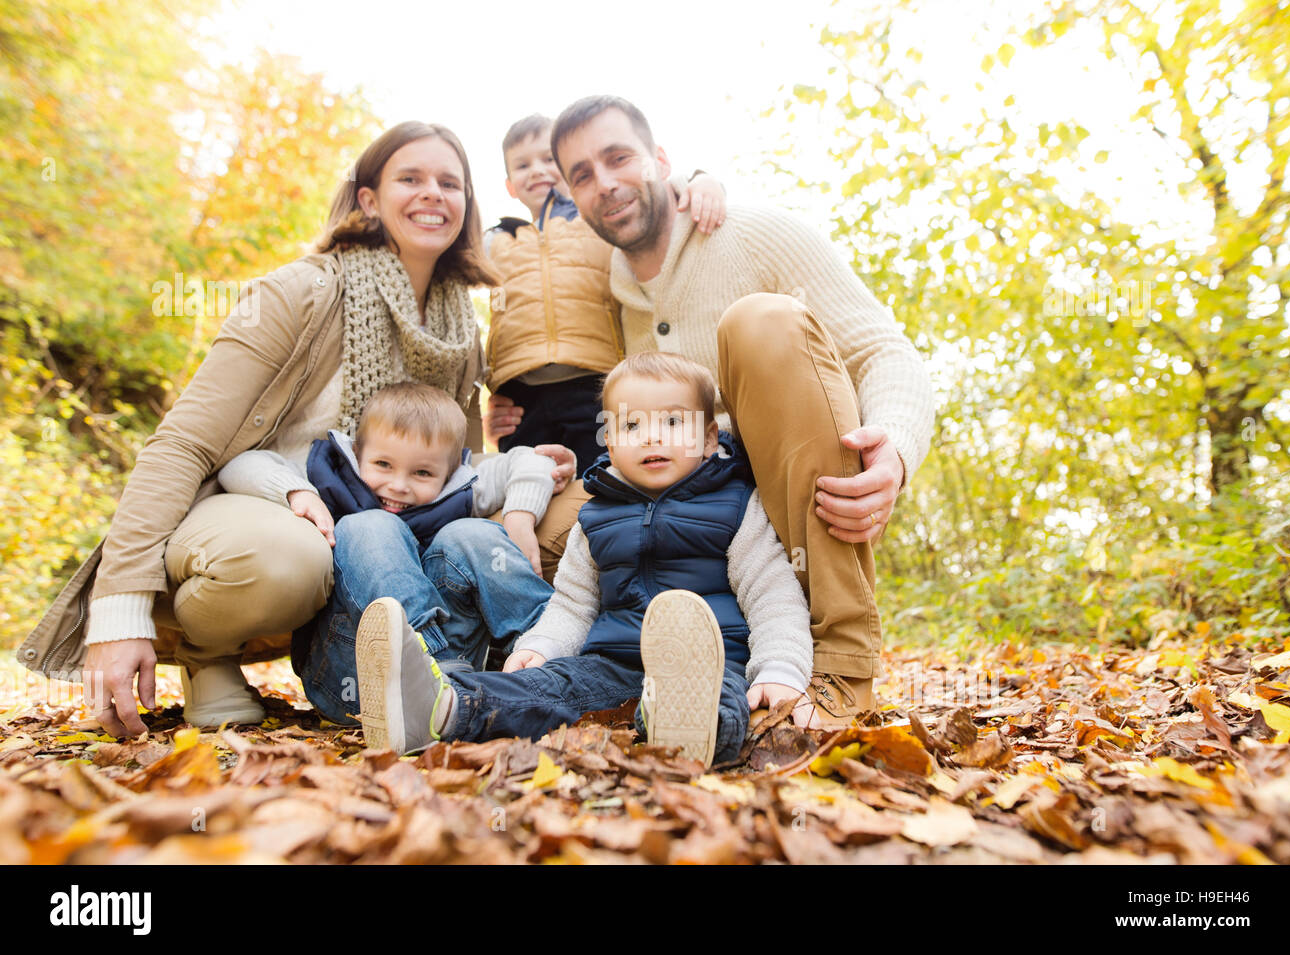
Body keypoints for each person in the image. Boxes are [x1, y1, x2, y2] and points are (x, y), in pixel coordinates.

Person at [18, 121, 582, 735]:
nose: (433, 194)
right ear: (368, 198)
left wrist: (522, 480)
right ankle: (211, 658)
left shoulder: (456, 328)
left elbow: (454, 469)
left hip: (398, 534)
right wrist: (118, 609)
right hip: (267, 506)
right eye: (411, 178)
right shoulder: (300, 292)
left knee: (574, 511)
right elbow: (184, 442)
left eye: (451, 183)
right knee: (291, 556)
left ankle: (548, 662)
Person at [488, 95, 936, 726]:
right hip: (687, 508)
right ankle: (570, 670)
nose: (606, 183)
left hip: (790, 482)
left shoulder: (756, 233)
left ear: (662, 161)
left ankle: (838, 667)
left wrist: (895, 442)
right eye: (582, 174)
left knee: (761, 322)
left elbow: (882, 349)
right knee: (526, 521)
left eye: (619, 158)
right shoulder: (607, 291)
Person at [355, 353, 816, 765]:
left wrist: (779, 668)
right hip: (611, 664)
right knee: (544, 687)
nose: (651, 437)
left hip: (714, 661)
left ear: (710, 437)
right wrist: (541, 646)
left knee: (719, 702)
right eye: (632, 426)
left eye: (673, 423)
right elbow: (574, 603)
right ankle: (438, 707)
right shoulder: (597, 515)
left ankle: (682, 725)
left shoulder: (735, 505)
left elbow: (773, 596)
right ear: (610, 441)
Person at [218, 381, 561, 724]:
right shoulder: (330, 478)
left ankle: (547, 649)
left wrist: (520, 515)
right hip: (352, 674)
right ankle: (424, 668)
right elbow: (241, 463)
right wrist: (296, 492)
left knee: (471, 533)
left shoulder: (462, 488)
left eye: (422, 472)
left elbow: (532, 460)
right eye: (383, 464)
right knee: (368, 526)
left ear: (450, 471)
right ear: (357, 453)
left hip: (462, 681)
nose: (398, 485)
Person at [484, 113, 726, 473]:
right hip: (522, 392)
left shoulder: (594, 223)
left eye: (548, 160)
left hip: (592, 379)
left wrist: (704, 181)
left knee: (602, 474)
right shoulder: (496, 240)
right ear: (509, 186)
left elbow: (658, 198)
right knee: (527, 479)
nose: (536, 171)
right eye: (523, 165)